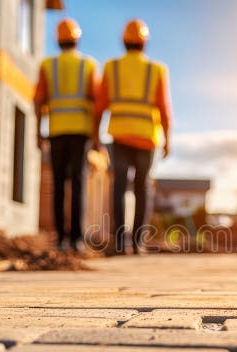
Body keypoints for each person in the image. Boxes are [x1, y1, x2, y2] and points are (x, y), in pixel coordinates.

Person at [95, 19, 172, 255]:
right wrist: (167, 139)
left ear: (124, 40)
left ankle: (120, 242)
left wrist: (95, 135)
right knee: (142, 188)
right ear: (144, 43)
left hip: (119, 134)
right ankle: (137, 243)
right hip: (147, 137)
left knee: (119, 185)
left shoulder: (111, 67)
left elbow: (100, 105)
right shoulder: (156, 69)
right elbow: (164, 108)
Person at [34, 18, 99, 251]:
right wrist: (96, 135)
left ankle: (61, 238)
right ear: (77, 39)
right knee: (78, 184)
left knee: (59, 185)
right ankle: (77, 239)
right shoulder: (88, 65)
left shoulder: (48, 65)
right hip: (81, 132)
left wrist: (37, 132)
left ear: (57, 39)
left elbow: (38, 100)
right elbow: (96, 101)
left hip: (57, 131)